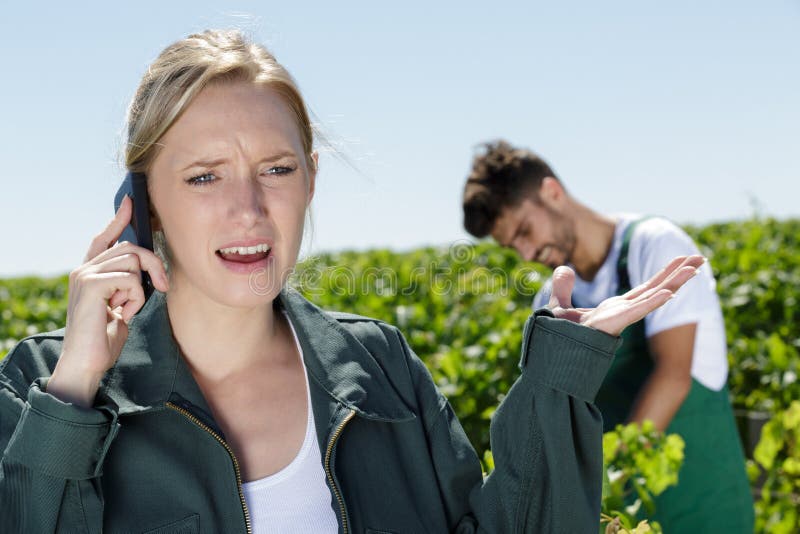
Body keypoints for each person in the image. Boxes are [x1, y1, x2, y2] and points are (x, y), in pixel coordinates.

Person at [0, 31, 702, 534]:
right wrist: (71, 394)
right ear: (143, 201)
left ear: (309, 178)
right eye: (204, 176)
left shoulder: (382, 365)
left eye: (276, 168)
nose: (248, 209)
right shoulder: (40, 386)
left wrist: (556, 381)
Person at [461, 140, 754, 532]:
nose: (526, 252)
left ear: (552, 192)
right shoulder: (552, 299)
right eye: (513, 245)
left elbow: (673, 375)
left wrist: (604, 488)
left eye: (525, 231)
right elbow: (554, 408)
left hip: (702, 505)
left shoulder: (652, 245)